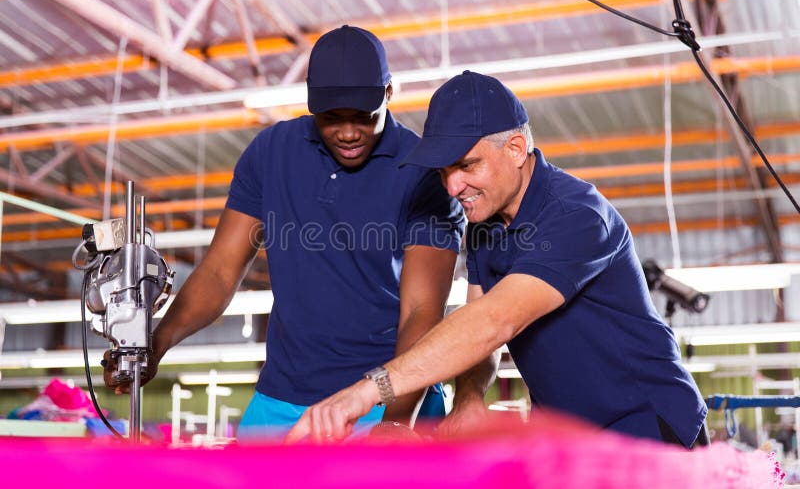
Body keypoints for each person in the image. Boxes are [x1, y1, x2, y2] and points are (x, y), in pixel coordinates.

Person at [286, 71, 708, 448]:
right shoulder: (485, 226)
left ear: (516, 148)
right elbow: (479, 326)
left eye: (467, 165)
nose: (452, 187)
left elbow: (494, 323)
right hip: (569, 442)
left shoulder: (577, 215)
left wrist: (365, 393)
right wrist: (469, 398)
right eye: (443, 171)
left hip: (648, 428)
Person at [103, 26, 465, 440]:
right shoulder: (271, 153)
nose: (348, 133)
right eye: (332, 118)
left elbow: (422, 310)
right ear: (311, 101)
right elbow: (220, 272)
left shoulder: (424, 174)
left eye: (363, 117)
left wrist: (398, 419)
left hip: (388, 396)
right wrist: (157, 342)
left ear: (388, 92)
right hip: (284, 395)